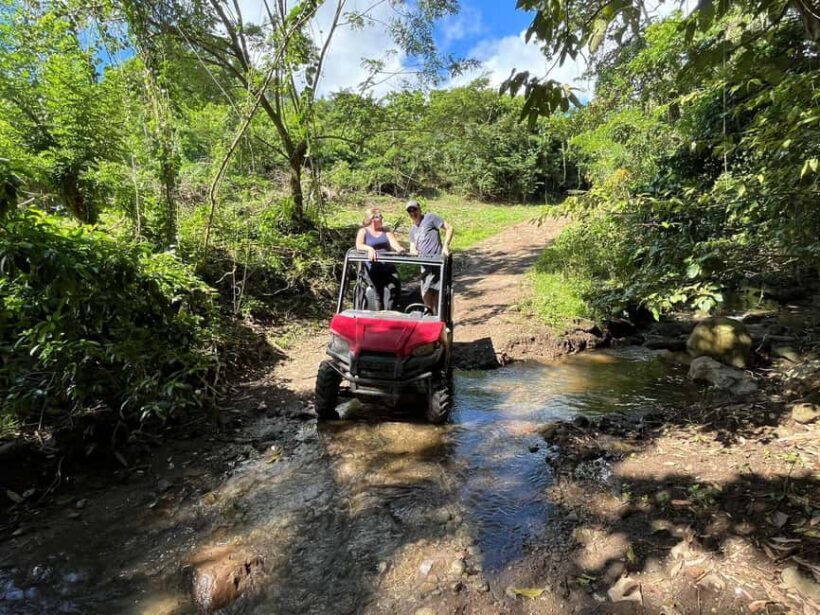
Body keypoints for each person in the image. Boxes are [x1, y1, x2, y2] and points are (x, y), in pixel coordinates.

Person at [406, 200, 454, 314]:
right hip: (424, 265)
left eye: (414, 209)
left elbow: (449, 228)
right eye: (410, 211)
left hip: (437, 262)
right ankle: (429, 315)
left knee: (437, 292)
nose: (413, 212)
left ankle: (439, 318)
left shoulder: (430, 217)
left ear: (419, 209)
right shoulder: (412, 230)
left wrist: (445, 246)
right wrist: (413, 252)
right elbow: (412, 248)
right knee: (425, 292)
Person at [355, 207, 405, 310]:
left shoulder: (386, 231)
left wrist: (400, 249)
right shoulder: (363, 231)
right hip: (373, 268)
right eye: (379, 216)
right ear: (372, 219)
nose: (382, 218)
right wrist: (369, 249)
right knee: (378, 294)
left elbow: (394, 244)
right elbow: (359, 245)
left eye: (381, 216)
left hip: (388, 267)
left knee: (395, 289)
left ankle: (390, 312)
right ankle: (379, 315)